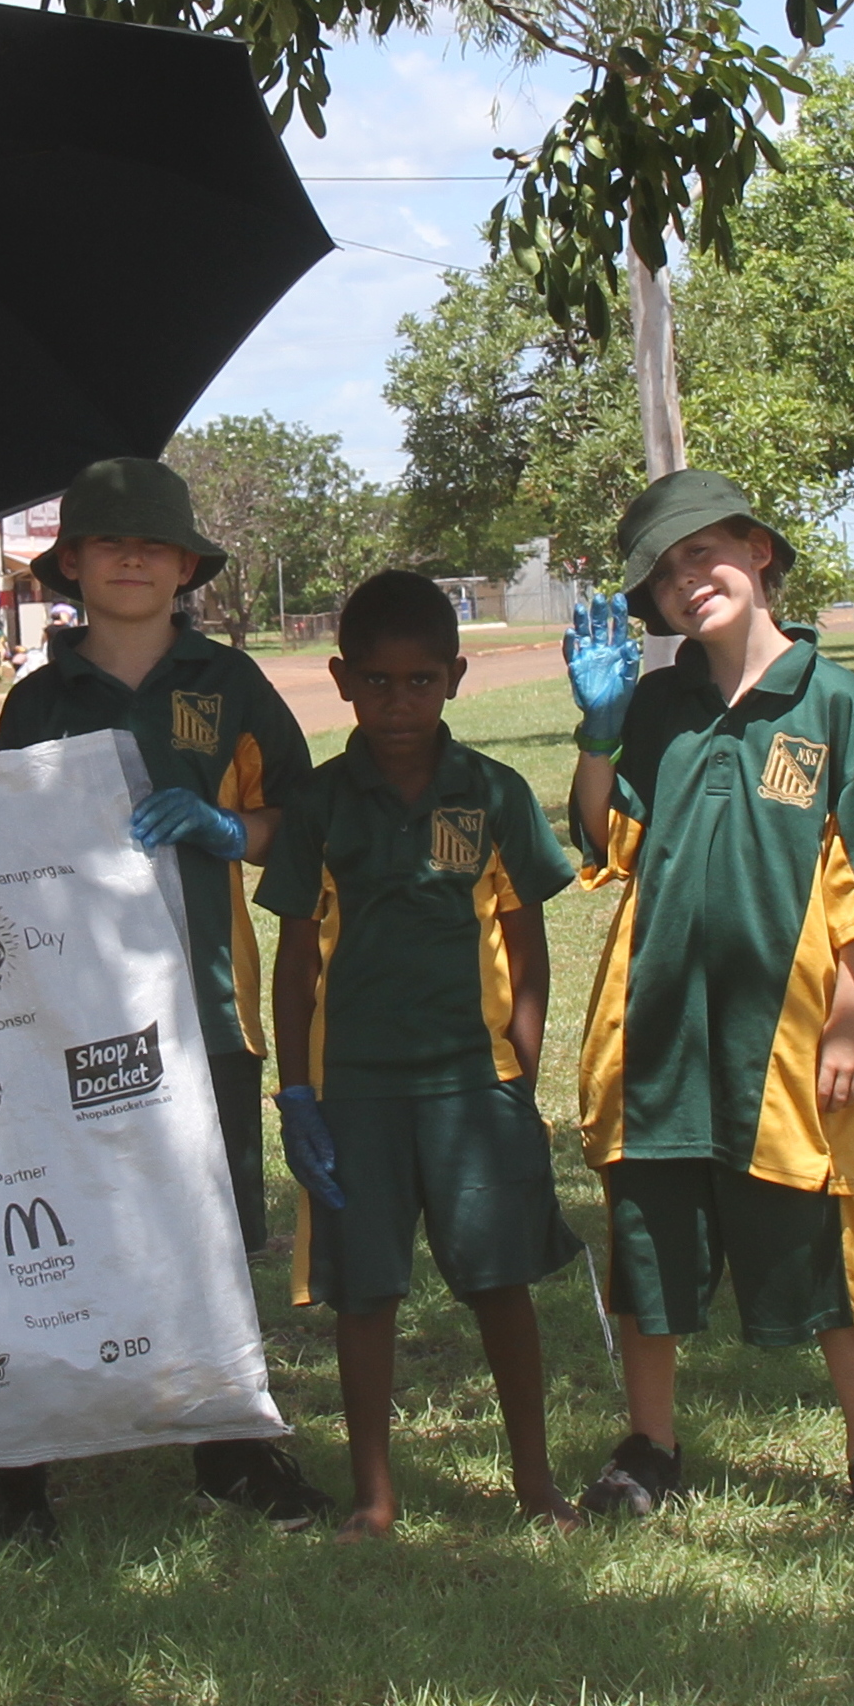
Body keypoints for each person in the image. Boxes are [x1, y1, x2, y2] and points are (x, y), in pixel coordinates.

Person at [564, 469, 854, 1526]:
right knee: (647, 1238)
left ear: (758, 549)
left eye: (704, 553)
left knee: (821, 1230)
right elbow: (603, 843)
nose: (689, 582)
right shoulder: (656, 704)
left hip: (781, 1038)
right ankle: (649, 1446)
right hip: (653, 1031)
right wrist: (597, 735)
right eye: (666, 573)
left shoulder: (827, 697)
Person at [0, 457, 333, 1543]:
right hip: (63, 1013)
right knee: (57, 1229)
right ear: (70, 565)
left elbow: (300, 820)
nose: (132, 558)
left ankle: (226, 1445)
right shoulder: (39, 700)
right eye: (107, 542)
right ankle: (23, 1458)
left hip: (206, 1006)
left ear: (185, 568)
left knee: (207, 1229)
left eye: (154, 544)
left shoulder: (228, 686)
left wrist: (233, 832)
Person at [256, 571, 583, 1541]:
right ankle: (373, 1496)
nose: (398, 703)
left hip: (469, 1088)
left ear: (454, 679)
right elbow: (295, 962)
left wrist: (517, 1070)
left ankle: (534, 1484)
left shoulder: (491, 793)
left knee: (497, 1281)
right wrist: (297, 1091)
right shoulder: (318, 804)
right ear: (341, 680)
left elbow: (524, 943)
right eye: (377, 682)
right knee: (366, 1294)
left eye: (420, 682)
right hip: (354, 1095)